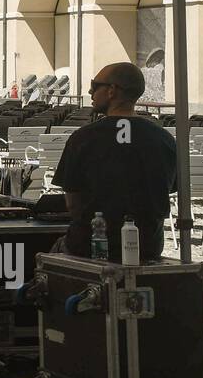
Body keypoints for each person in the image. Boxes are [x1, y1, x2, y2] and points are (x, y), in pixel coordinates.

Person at [51, 62, 176, 263]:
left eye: (94, 85)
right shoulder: (164, 140)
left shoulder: (83, 138)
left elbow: (73, 204)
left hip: (89, 245)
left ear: (111, 90)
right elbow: (165, 190)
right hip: (147, 248)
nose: (90, 91)